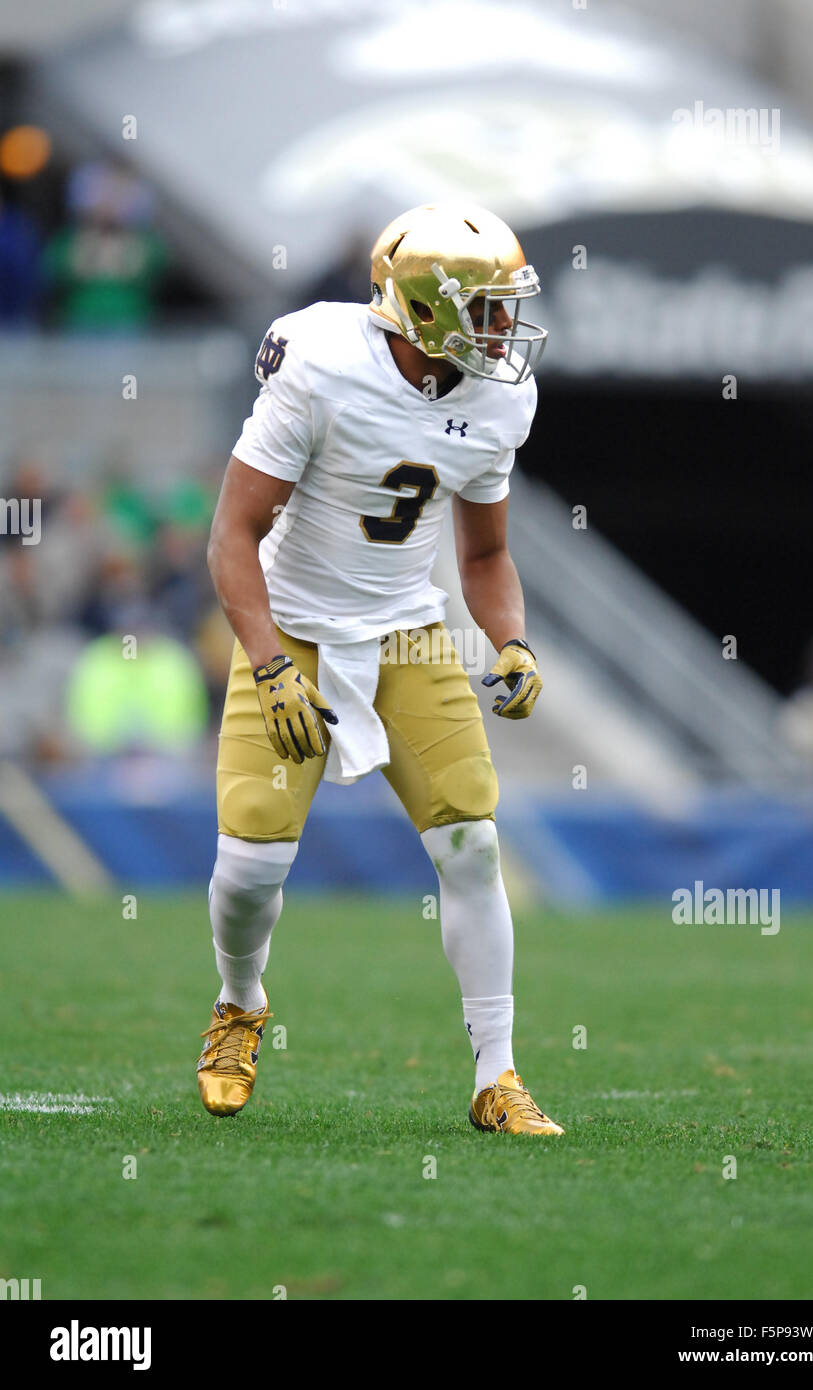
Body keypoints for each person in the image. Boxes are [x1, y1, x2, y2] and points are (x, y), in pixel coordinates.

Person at [199, 202, 563, 1136]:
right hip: (298, 627)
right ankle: (240, 1003)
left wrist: (511, 640)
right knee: (250, 862)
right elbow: (233, 535)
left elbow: (483, 558)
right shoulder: (323, 364)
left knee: (473, 843)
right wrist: (274, 666)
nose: (503, 331)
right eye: (485, 309)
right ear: (429, 311)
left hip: (406, 631)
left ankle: (498, 1075)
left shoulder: (495, 399)